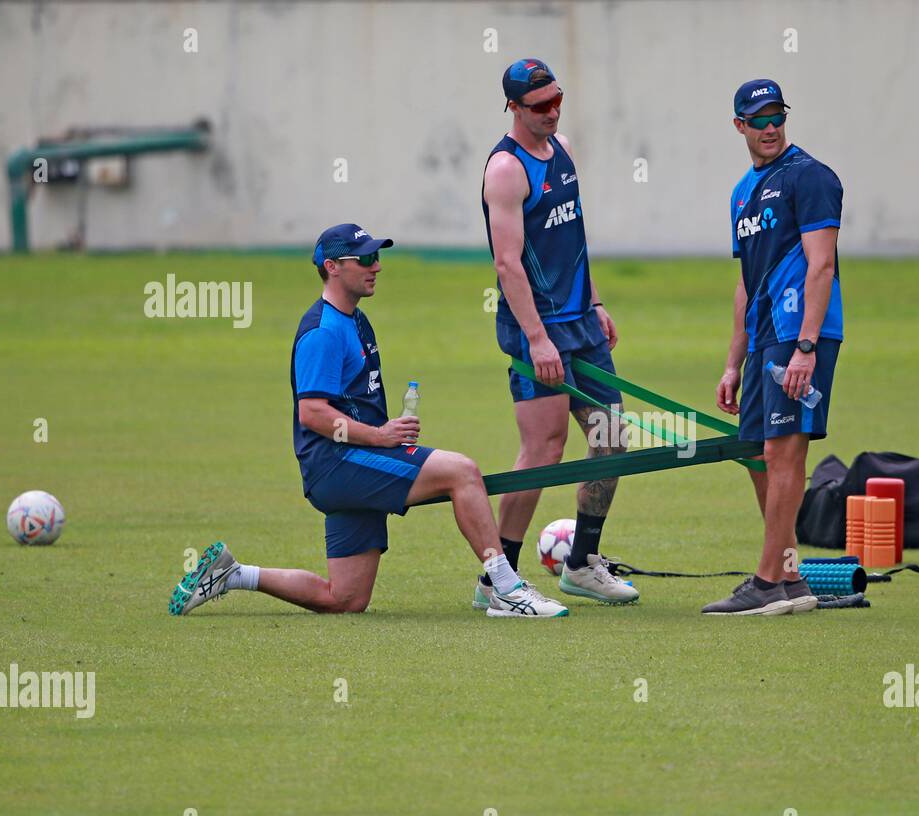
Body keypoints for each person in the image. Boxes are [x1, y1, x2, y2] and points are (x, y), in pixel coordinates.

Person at [168, 223, 569, 618]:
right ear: (332, 267)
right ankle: (504, 587)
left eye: (376, 257)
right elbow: (313, 413)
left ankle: (234, 575)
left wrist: (386, 428)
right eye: (364, 259)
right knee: (462, 472)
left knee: (345, 599)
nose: (375, 266)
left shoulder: (355, 319)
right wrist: (379, 435)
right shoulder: (323, 331)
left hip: (350, 462)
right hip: (337, 465)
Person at [479, 56, 639, 610]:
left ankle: (582, 563)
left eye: (557, 100)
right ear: (514, 108)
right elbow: (508, 263)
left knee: (611, 438)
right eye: (540, 106)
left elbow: (573, 238)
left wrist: (594, 302)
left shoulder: (563, 148)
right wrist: (539, 338)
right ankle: (498, 582)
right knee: (545, 449)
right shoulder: (506, 169)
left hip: (581, 324)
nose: (553, 112)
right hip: (536, 330)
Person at [704, 80, 844, 616]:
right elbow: (746, 282)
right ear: (739, 125)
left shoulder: (811, 177)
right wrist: (732, 362)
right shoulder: (742, 191)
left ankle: (766, 583)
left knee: (785, 452)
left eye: (776, 116)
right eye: (757, 119)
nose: (769, 127)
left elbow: (821, 265)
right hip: (764, 338)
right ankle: (790, 576)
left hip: (799, 333)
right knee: (760, 456)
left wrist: (806, 346)